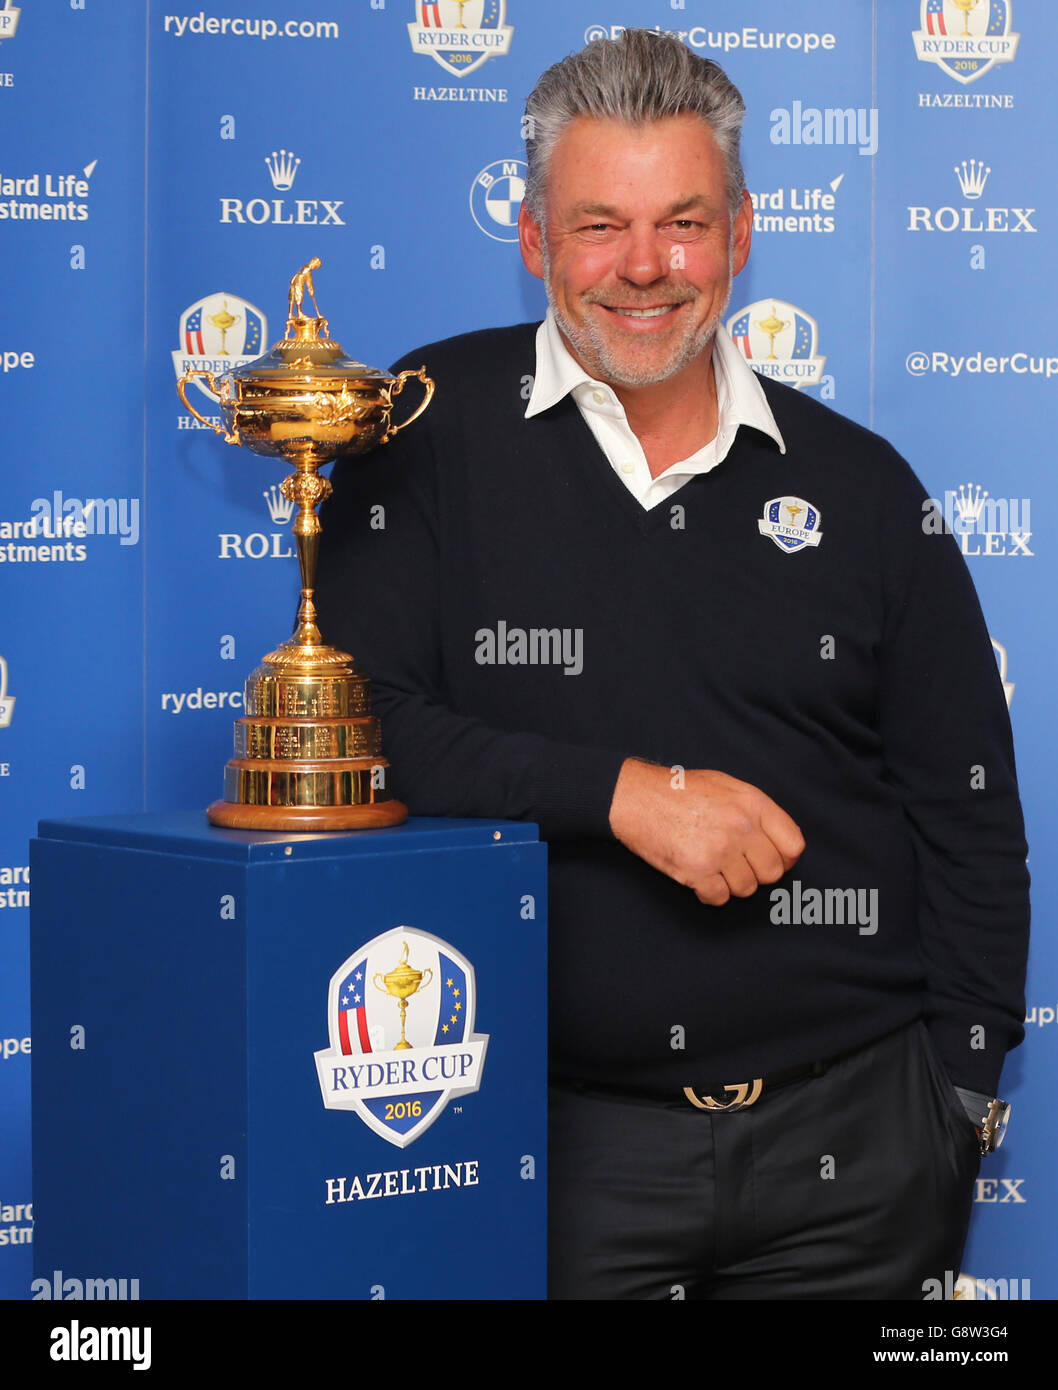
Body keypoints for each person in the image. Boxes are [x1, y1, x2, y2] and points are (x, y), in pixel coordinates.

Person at [315, 30, 1029, 1299]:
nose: (642, 268)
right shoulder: (424, 427)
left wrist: (957, 1100)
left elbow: (965, 811)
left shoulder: (859, 486)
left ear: (741, 231)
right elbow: (366, 727)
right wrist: (623, 793)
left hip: (859, 1160)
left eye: (681, 222)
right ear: (533, 238)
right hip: (558, 1149)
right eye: (597, 225)